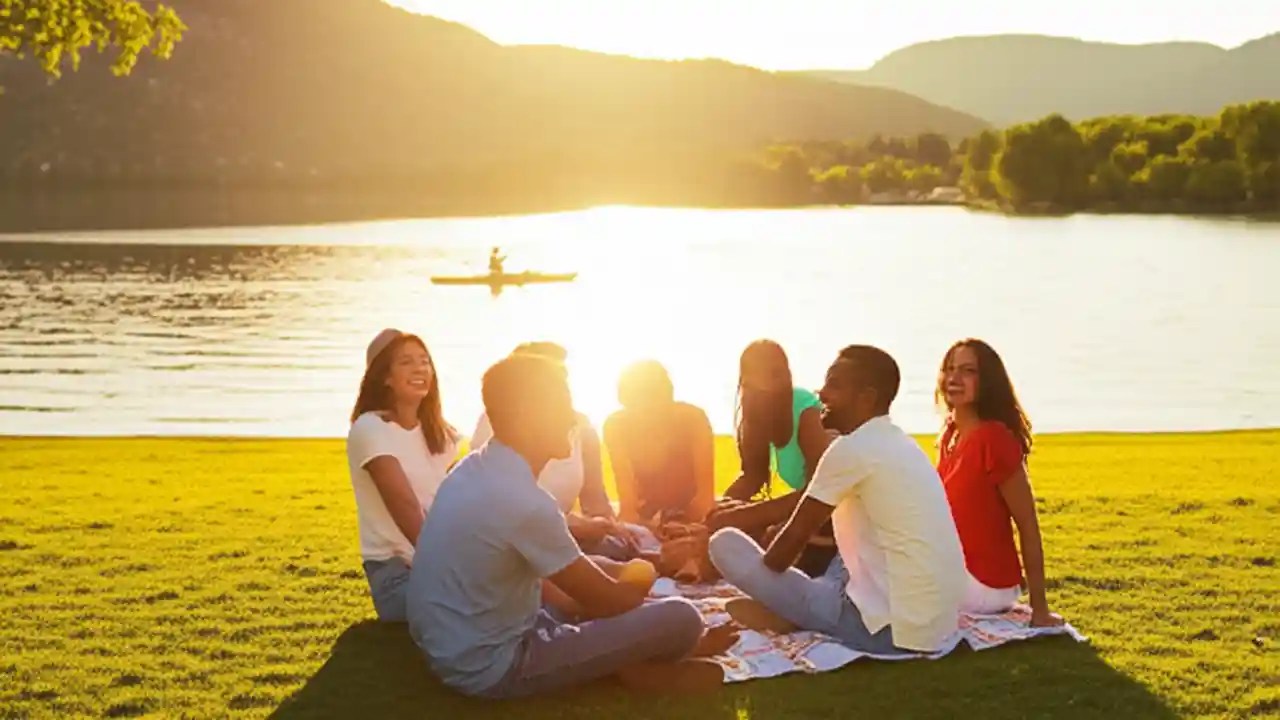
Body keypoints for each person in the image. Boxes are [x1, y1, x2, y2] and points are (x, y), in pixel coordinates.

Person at [406, 354, 736, 699]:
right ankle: (631, 662)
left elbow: (572, 578)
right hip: (492, 665)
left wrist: (626, 574)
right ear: (525, 418)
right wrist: (646, 574)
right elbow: (609, 601)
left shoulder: (474, 468)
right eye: (561, 405)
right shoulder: (524, 501)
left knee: (594, 574)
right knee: (681, 619)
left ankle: (628, 662)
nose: (572, 417)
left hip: (450, 645)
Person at [708, 345, 966, 655]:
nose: (822, 393)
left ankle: (798, 613)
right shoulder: (900, 442)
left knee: (724, 544)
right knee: (848, 551)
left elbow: (780, 556)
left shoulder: (849, 450)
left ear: (866, 398)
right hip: (936, 625)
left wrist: (772, 586)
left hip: (888, 634)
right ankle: (805, 607)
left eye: (834, 385)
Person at [936, 339, 1063, 626]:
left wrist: (1039, 610)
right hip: (955, 571)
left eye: (968, 371)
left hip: (985, 584)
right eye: (950, 369)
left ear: (987, 381)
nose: (954, 378)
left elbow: (1028, 526)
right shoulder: (950, 436)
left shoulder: (994, 439)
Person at [471, 341, 635, 560]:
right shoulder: (496, 429)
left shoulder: (580, 426)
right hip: (519, 543)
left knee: (631, 543)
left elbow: (596, 502)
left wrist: (608, 527)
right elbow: (506, 513)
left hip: (566, 535)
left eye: (562, 375)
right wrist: (574, 527)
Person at [346, 329, 459, 623]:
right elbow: (405, 508)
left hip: (441, 560)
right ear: (385, 376)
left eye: (424, 360)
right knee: (486, 600)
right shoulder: (370, 429)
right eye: (406, 362)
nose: (420, 368)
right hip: (397, 576)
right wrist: (456, 569)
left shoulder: (442, 435)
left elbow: (457, 503)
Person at [706, 340, 836, 576]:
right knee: (720, 528)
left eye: (774, 375)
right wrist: (719, 509)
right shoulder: (756, 414)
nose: (766, 385)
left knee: (745, 540)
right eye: (753, 379)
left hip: (833, 518)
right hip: (808, 512)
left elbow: (819, 493)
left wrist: (741, 517)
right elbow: (752, 478)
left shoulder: (806, 410)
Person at [603, 360, 715, 526]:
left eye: (655, 400)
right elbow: (628, 505)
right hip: (647, 516)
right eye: (636, 404)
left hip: (691, 515)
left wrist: (683, 525)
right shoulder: (616, 425)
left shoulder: (693, 419)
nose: (649, 412)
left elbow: (705, 497)